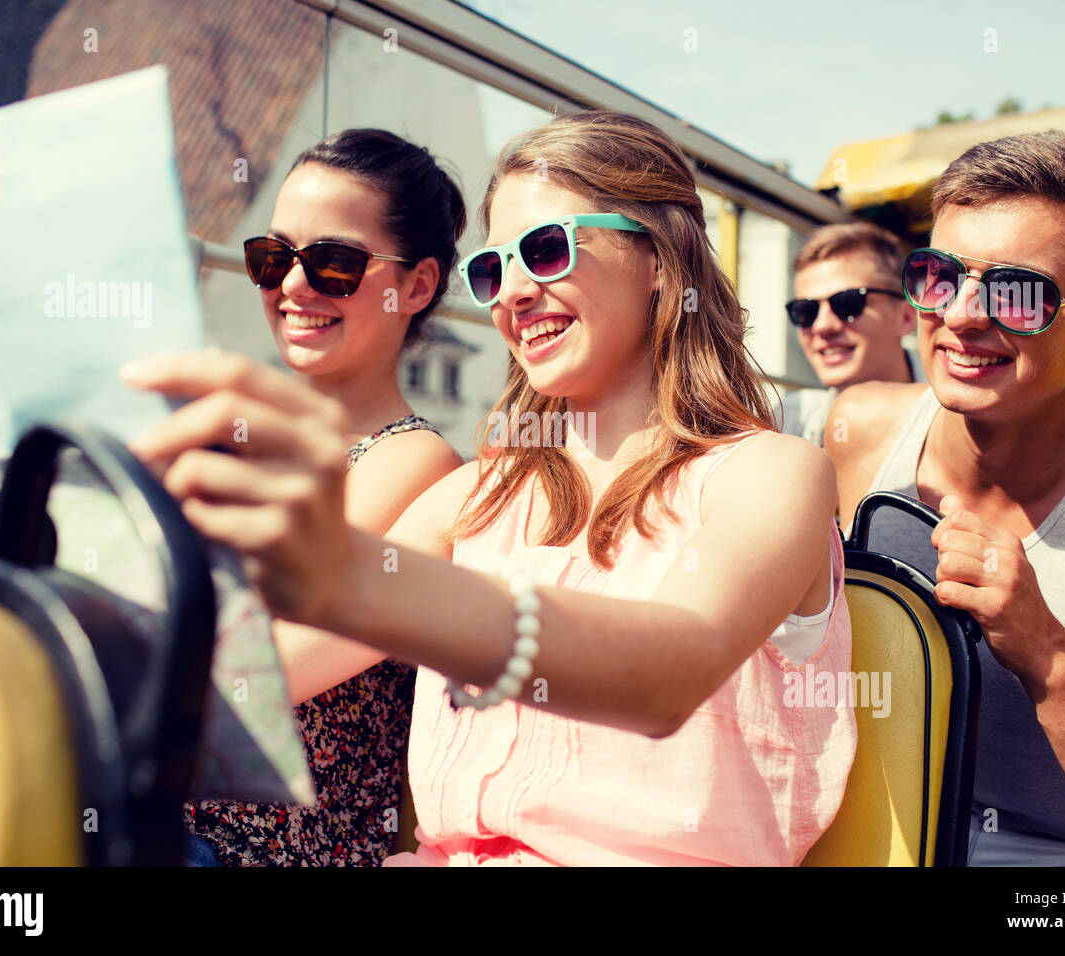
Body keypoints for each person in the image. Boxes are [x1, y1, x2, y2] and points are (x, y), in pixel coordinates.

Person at [122, 110, 856, 866]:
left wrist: (342, 571)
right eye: (494, 271)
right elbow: (262, 673)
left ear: (659, 258)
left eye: (545, 251)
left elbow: (668, 674)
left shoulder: (775, 474)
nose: (512, 295)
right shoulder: (479, 496)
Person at [824, 130, 1065, 865]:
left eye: (1018, 293)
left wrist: (1049, 655)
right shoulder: (858, 434)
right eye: (937, 276)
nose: (960, 316)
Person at [183, 129, 466, 866]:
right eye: (273, 257)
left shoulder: (416, 462)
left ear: (419, 284)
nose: (293, 286)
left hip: (268, 845)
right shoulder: (241, 438)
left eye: (334, 263)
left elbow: (264, 675)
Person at [781, 222, 925, 446]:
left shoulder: (962, 421)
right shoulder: (784, 424)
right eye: (805, 311)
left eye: (847, 303)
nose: (822, 326)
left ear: (906, 318)